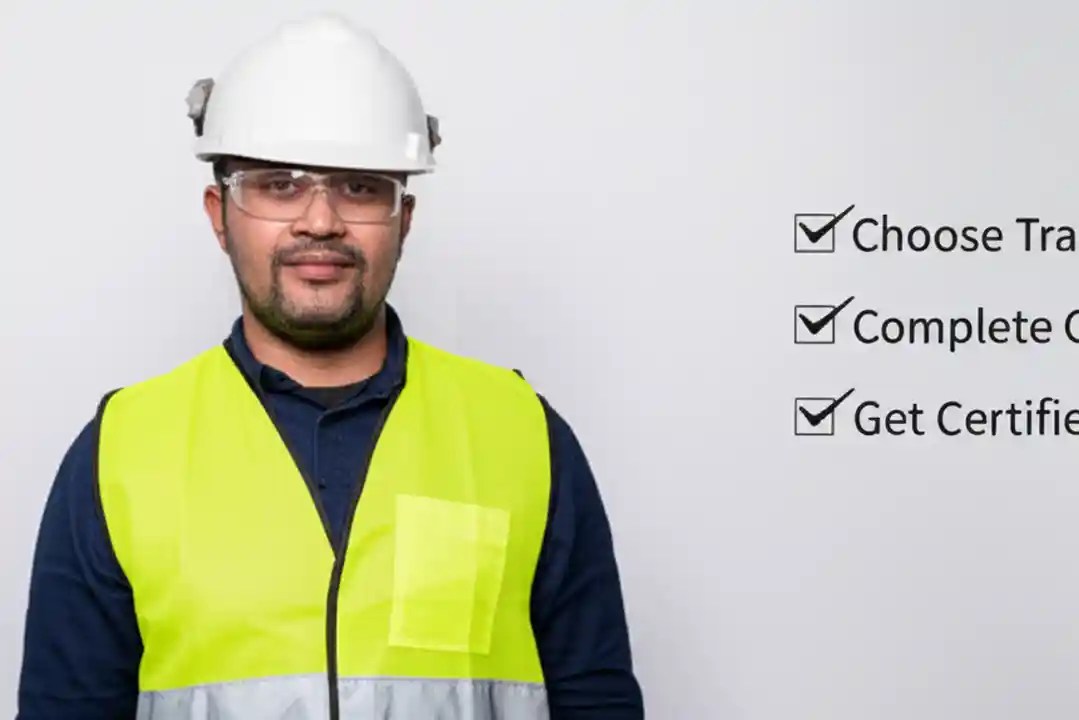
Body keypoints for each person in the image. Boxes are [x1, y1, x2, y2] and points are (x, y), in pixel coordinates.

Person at [16, 13, 643, 720]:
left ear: (404, 218)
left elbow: (598, 699)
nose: (320, 221)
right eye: (280, 185)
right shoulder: (121, 451)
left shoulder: (520, 435)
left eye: (360, 186)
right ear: (219, 214)